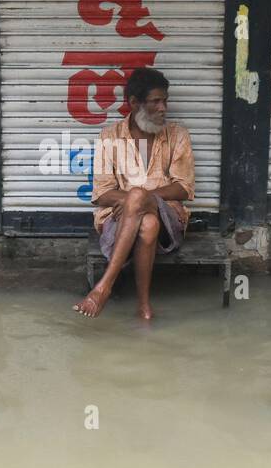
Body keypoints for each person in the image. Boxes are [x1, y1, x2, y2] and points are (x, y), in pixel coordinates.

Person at [73, 67, 195, 320]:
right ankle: (144, 308)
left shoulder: (178, 136)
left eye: (165, 101)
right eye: (156, 101)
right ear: (134, 103)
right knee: (147, 222)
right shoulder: (110, 136)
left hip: (168, 222)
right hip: (118, 222)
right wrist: (136, 203)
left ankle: (103, 287)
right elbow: (102, 193)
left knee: (140, 200)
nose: (163, 108)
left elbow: (183, 187)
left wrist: (138, 198)